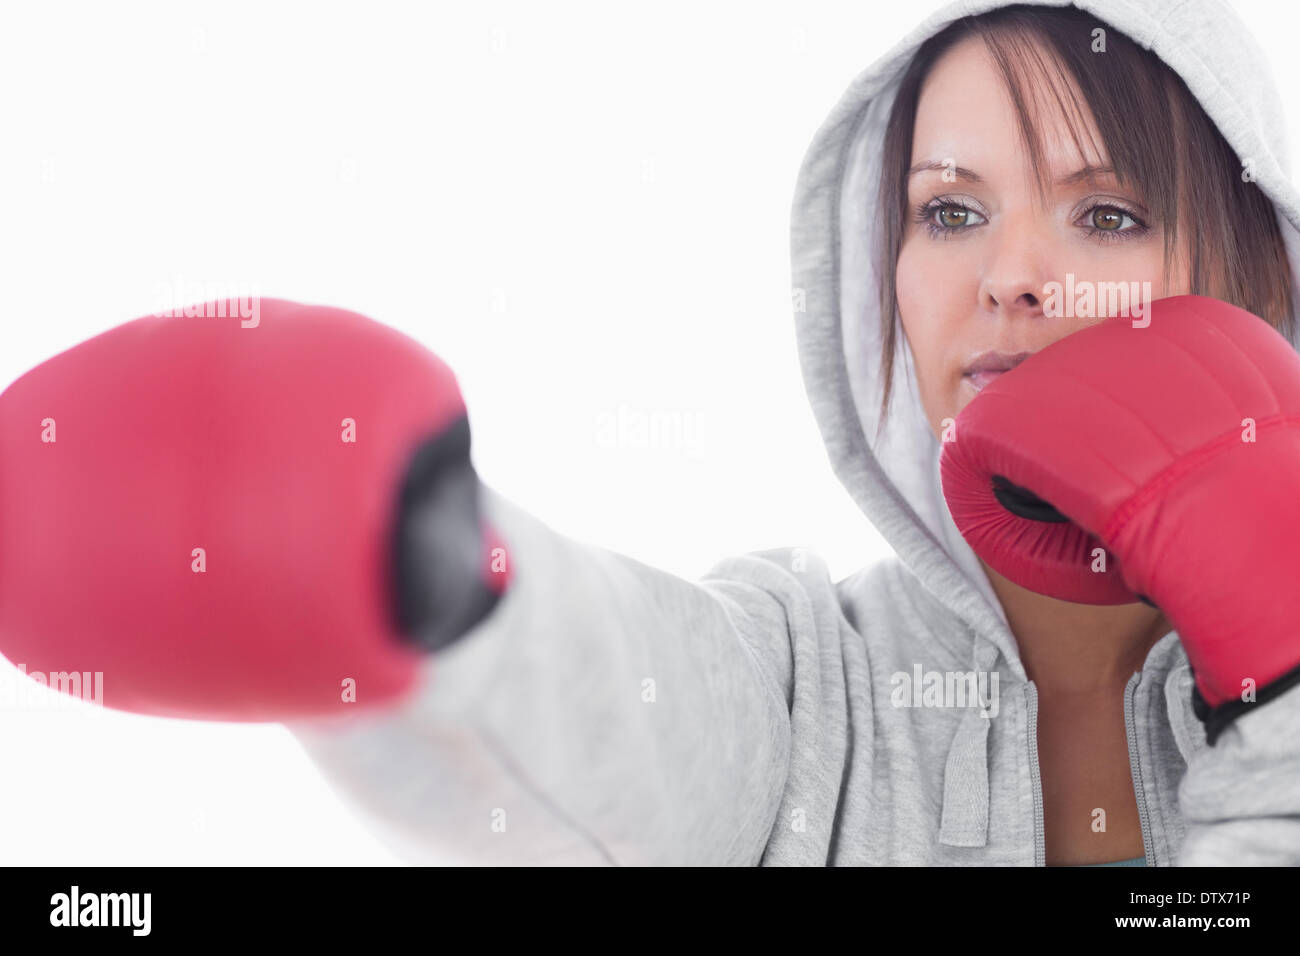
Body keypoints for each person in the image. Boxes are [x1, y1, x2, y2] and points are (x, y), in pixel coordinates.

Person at [282, 0, 1300, 866]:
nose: (1010, 276)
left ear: (1263, 275)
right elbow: (619, 699)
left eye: (1109, 215)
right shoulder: (803, 674)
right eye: (948, 212)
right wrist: (411, 558)